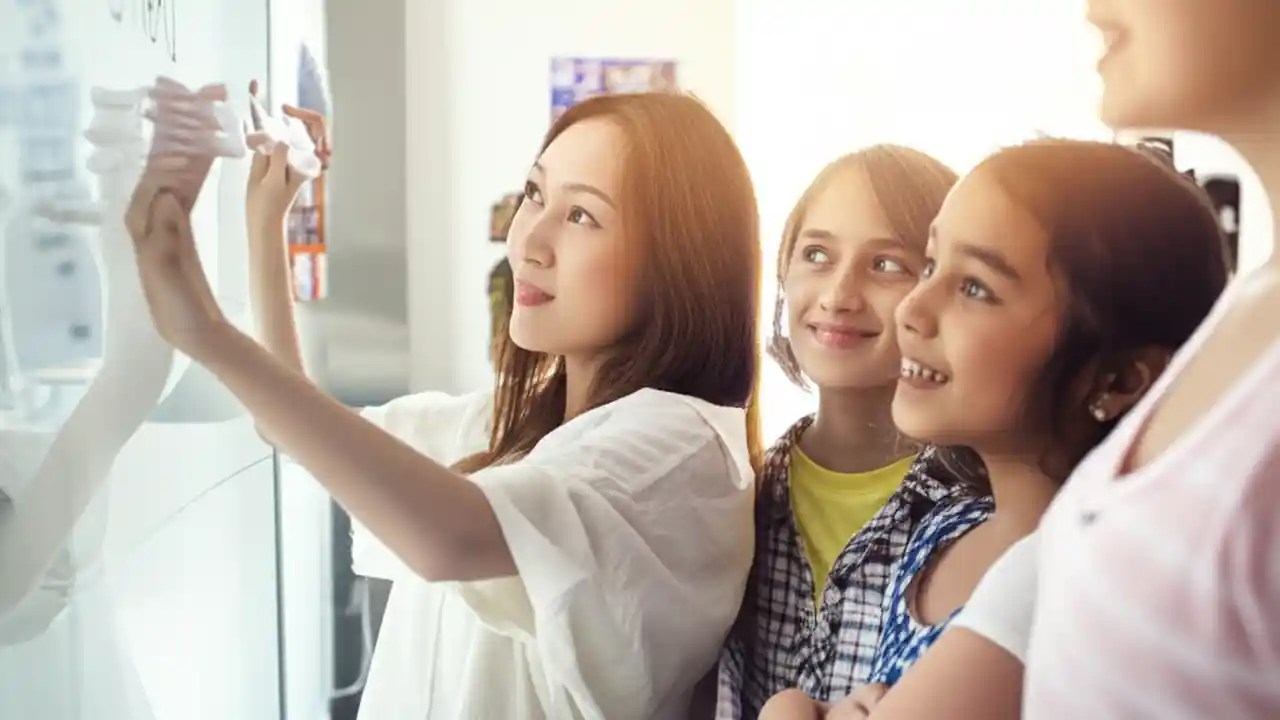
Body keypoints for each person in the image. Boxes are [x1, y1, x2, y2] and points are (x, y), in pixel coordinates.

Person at [123, 91, 765, 719]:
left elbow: (450, 539)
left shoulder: (683, 451)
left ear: (679, 264)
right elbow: (295, 429)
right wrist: (268, 220)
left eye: (581, 216)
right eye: (535, 193)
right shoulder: (519, 422)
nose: (528, 242)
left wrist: (207, 333)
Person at [785, 137, 1231, 720]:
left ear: (1119, 379)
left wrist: (786, 710)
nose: (912, 309)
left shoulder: (1071, 581)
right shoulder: (945, 532)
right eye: (930, 265)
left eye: (975, 288)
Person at [715, 145, 988, 719]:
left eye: (887, 264)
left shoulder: (977, 519)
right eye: (816, 254)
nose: (839, 296)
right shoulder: (737, 494)